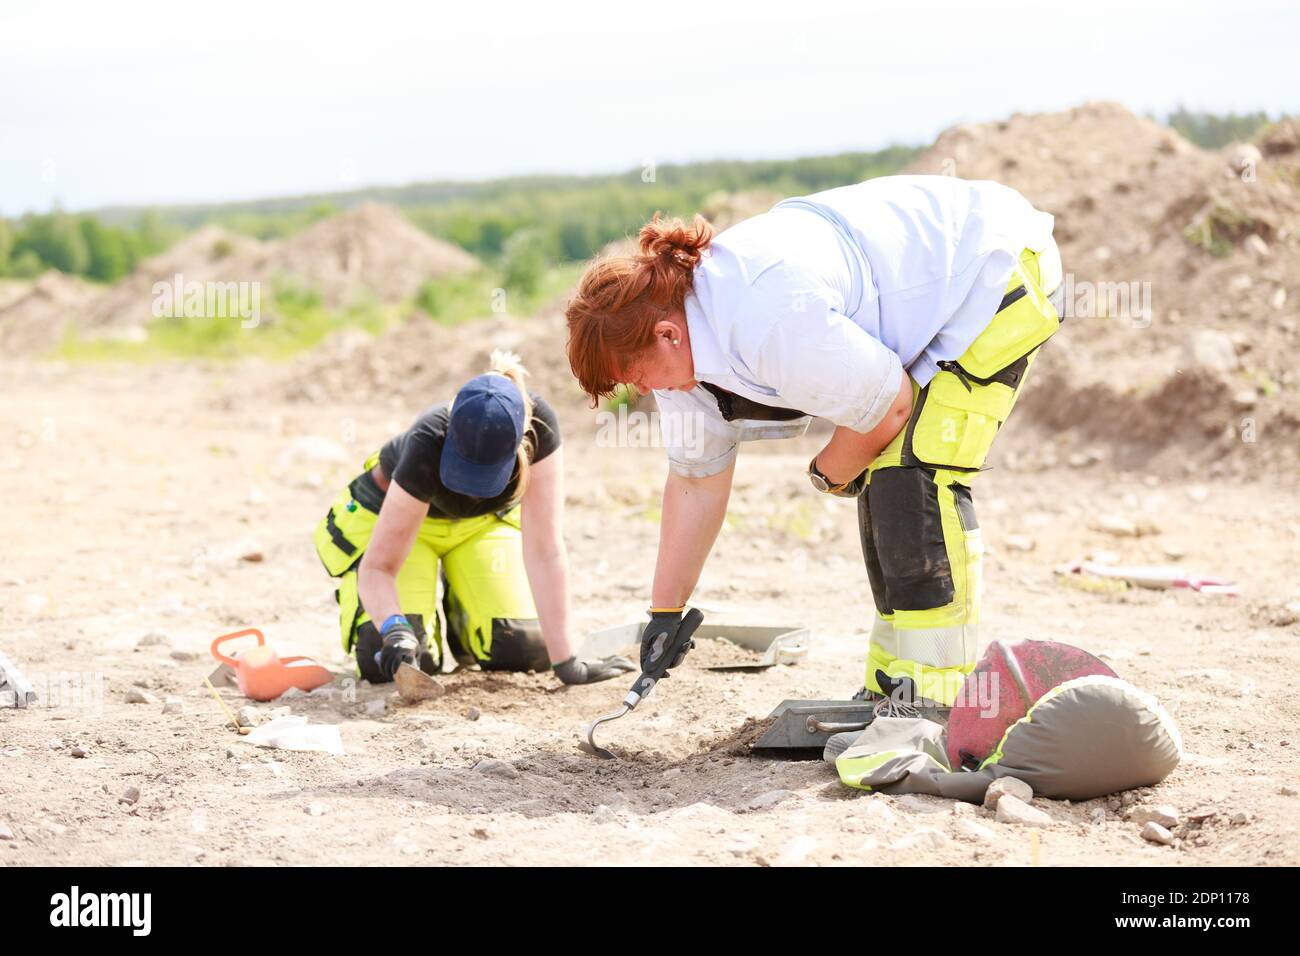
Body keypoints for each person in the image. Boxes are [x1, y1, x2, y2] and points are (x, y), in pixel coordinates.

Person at [564, 174, 1064, 717]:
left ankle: (935, 701)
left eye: (634, 375)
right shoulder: (682, 355)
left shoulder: (765, 317)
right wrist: (665, 611)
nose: (640, 391)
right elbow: (694, 483)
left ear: (665, 334)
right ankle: (893, 691)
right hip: (932, 281)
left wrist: (827, 472)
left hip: (994, 269)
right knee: (885, 473)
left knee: (916, 476)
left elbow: (890, 406)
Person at [313, 350, 634, 686]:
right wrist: (395, 629)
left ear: (521, 443)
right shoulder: (428, 439)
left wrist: (568, 663)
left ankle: (463, 612)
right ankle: (415, 629)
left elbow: (545, 551)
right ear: (450, 435)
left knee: (522, 648)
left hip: (480, 528)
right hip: (406, 525)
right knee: (393, 660)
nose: (473, 492)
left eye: (486, 477)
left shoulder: (539, 429)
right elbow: (378, 567)